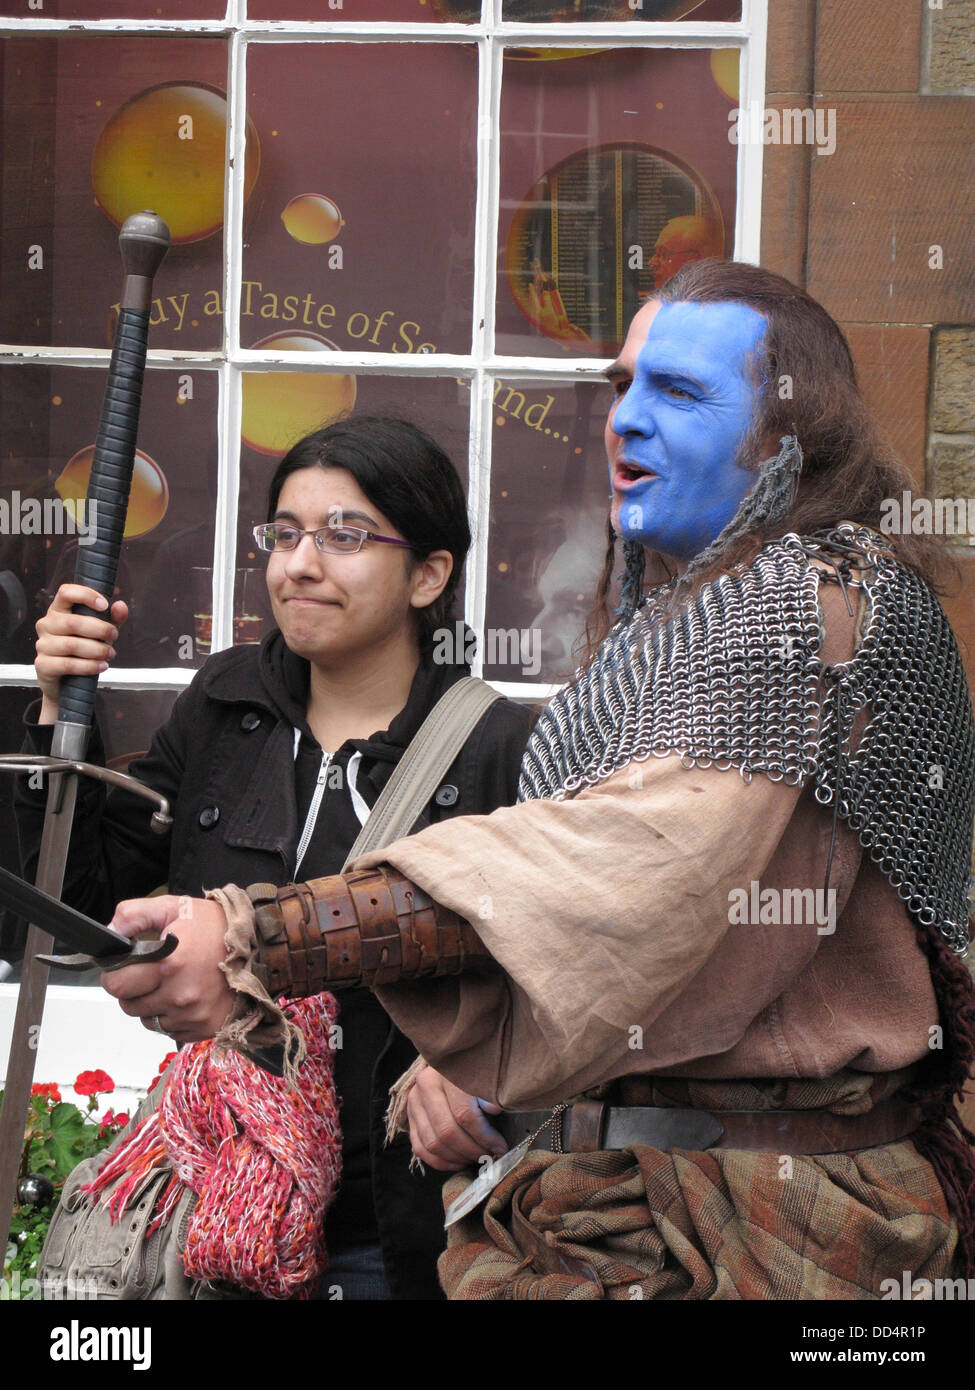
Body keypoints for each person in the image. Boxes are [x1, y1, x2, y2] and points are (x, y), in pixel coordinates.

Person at [93, 262, 975, 1300]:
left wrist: (257, 936)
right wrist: (454, 1059)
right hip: (619, 1192)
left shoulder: (802, 602)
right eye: (622, 388)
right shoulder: (679, 625)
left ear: (790, 436)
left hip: (759, 1225)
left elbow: (607, 874)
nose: (627, 423)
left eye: (680, 394)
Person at [15, 415, 534, 1300]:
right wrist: (61, 717)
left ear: (430, 574)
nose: (300, 563)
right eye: (285, 533)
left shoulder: (500, 750)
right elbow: (73, 896)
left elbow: (553, 971)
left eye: (345, 536)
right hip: (213, 1211)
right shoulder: (223, 709)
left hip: (403, 1235)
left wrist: (482, 1073)